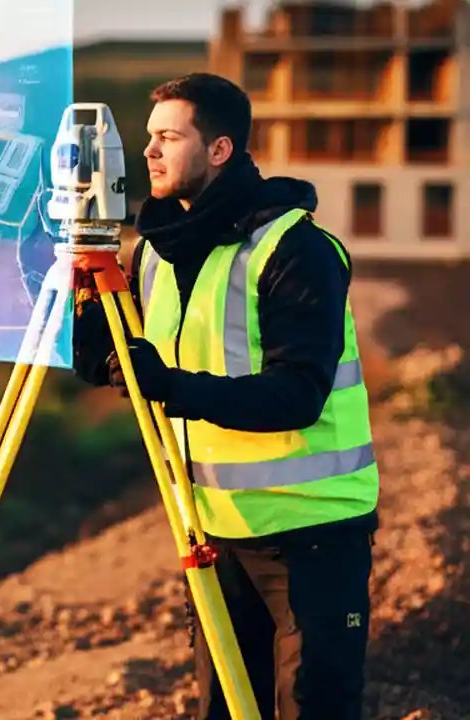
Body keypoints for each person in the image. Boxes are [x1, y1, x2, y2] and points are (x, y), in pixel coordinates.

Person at [71, 72, 379, 719]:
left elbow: (298, 395)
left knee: (310, 707)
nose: (149, 152)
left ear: (220, 149)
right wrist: (86, 329)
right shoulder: (155, 254)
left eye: (169, 138)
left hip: (310, 532)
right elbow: (129, 364)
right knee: (224, 709)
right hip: (214, 528)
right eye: (149, 138)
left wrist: (169, 386)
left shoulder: (295, 249)